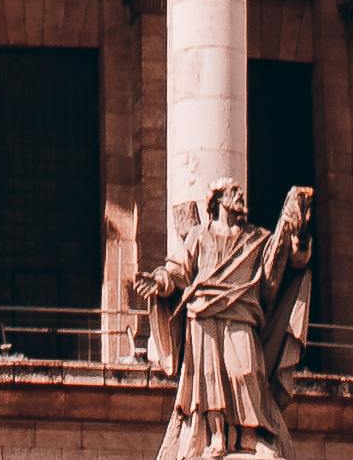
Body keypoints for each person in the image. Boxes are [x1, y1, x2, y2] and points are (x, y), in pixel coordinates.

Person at [127, 178, 315, 460]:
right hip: (203, 315)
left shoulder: (257, 238)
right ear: (218, 200)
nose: (240, 197)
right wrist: (161, 281)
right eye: (234, 193)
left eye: (240, 192)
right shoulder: (199, 236)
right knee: (209, 380)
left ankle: (251, 436)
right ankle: (215, 437)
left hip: (242, 314)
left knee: (247, 373)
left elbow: (282, 265)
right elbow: (179, 271)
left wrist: (297, 235)